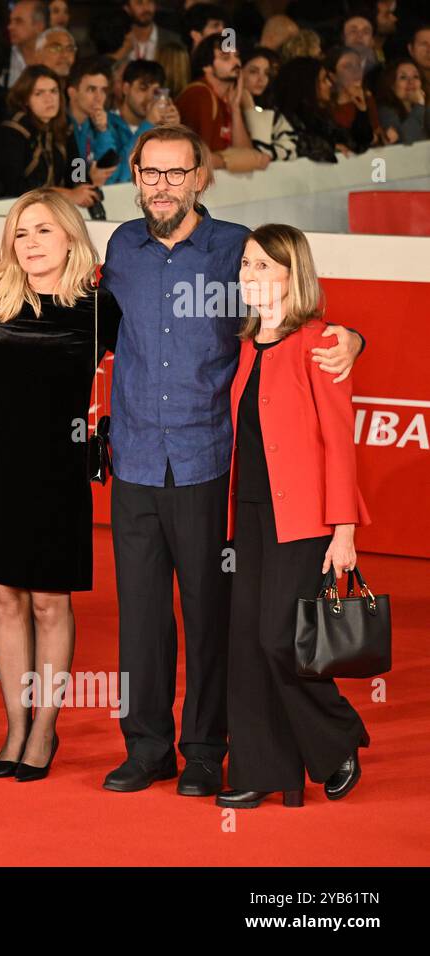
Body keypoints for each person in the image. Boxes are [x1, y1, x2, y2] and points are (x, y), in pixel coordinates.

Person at [99, 124, 363, 796]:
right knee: (141, 617)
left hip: (207, 465)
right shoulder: (121, 247)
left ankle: (205, 750)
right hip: (133, 462)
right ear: (135, 174)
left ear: (200, 177)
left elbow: (296, 310)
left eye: (175, 173)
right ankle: (147, 746)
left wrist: (352, 338)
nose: (161, 186)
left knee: (215, 620)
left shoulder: (233, 250)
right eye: (149, 173)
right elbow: (89, 328)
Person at [0, 188, 122, 780]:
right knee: (5, 597)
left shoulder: (100, 308)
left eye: (44, 231)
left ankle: (46, 729)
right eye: (21, 234)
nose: (30, 244)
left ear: (72, 238)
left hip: (57, 470)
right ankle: (15, 726)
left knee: (51, 602)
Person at [219, 224, 371, 808]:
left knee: (280, 639)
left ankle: (338, 739)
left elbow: (339, 442)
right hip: (252, 513)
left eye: (264, 265)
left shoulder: (321, 342)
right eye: (246, 265)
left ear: (292, 273)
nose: (250, 276)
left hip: (304, 519)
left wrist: (345, 530)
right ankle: (262, 771)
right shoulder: (246, 342)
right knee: (248, 644)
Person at [0, 66, 96, 208]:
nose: (49, 99)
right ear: (25, 99)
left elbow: (77, 164)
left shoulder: (65, 125)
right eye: (39, 93)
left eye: (53, 91)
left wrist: (83, 187)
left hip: (56, 208)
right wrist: (67, 194)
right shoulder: (13, 130)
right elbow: (13, 186)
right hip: (18, 209)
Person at [176, 35, 266, 171]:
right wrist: (231, 160)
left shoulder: (229, 98)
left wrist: (235, 109)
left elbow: (246, 154)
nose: (236, 62)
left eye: (237, 56)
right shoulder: (199, 94)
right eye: (226, 57)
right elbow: (197, 159)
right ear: (206, 67)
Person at [376, 57, 428, 144]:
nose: (411, 82)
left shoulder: (426, 109)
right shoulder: (385, 112)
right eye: (403, 77)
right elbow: (406, 140)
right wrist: (419, 105)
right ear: (392, 85)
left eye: (416, 76)